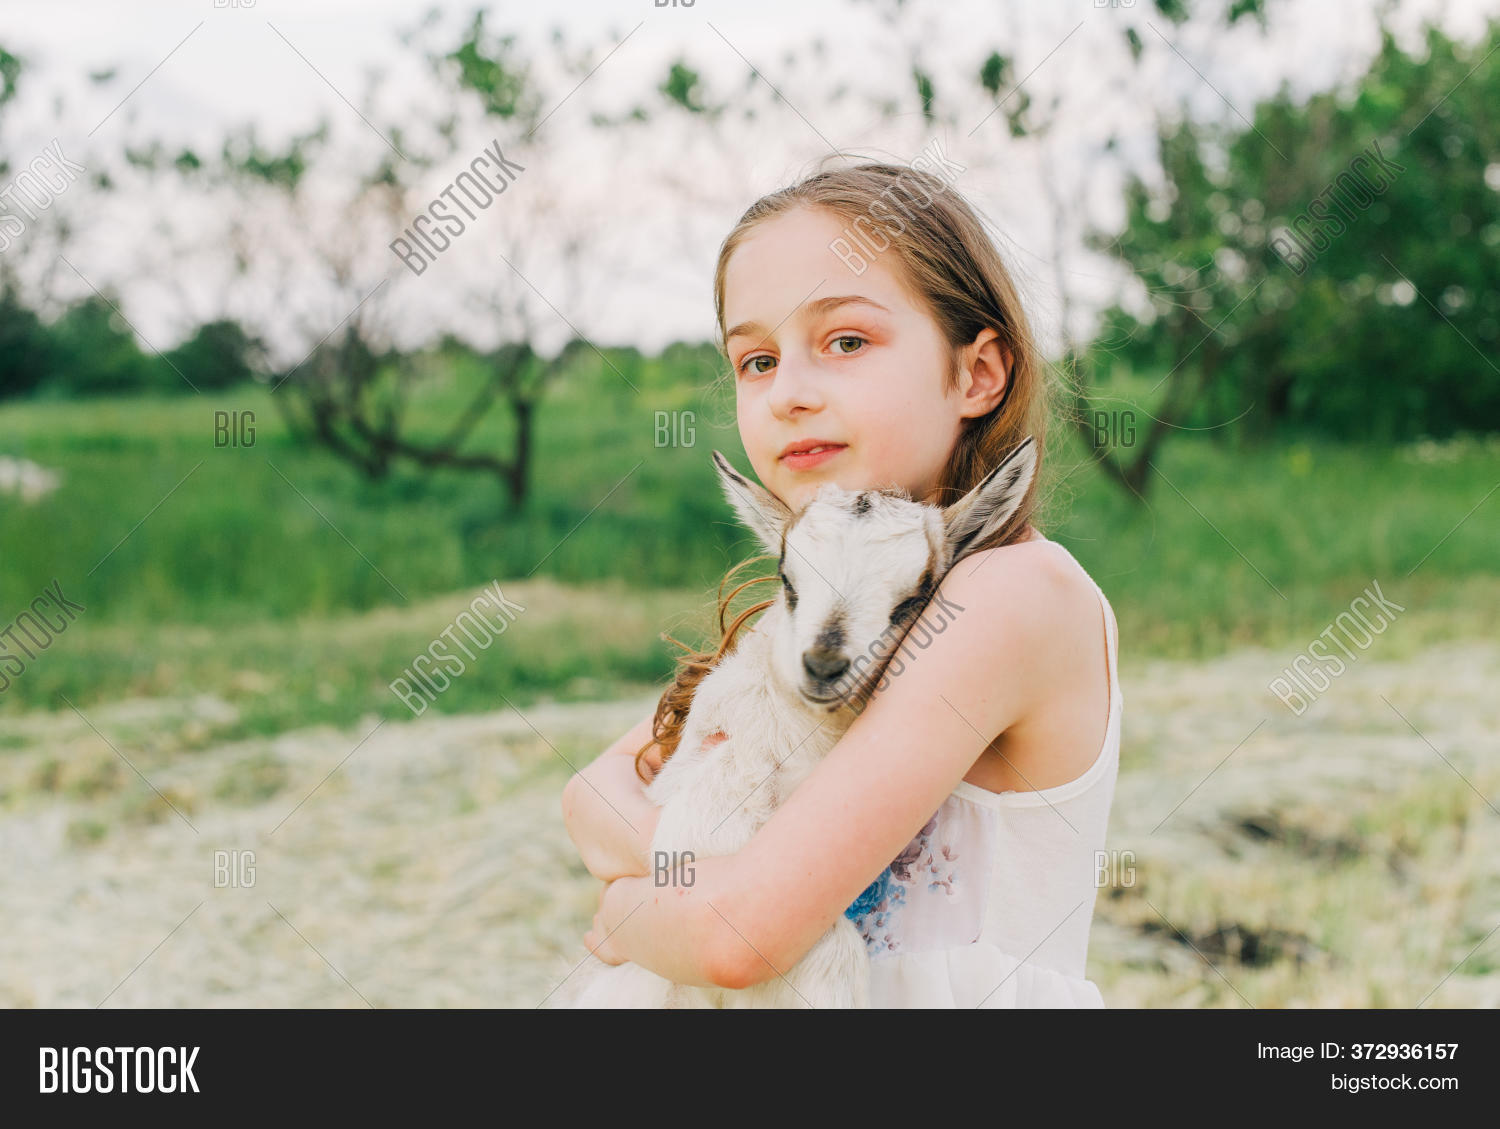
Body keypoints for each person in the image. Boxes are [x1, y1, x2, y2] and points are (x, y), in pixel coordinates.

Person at [560, 159, 1121, 1007]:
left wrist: (640, 904)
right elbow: (591, 793)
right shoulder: (813, 607)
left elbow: (734, 936)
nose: (788, 393)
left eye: (846, 341)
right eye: (754, 360)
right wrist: (691, 870)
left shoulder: (1010, 595)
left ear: (977, 373)